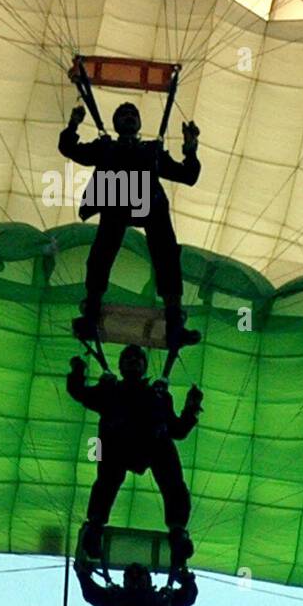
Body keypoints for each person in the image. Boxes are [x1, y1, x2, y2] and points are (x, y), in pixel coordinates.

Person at [59, 100, 200, 346]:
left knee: (167, 255)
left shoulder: (151, 151)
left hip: (150, 205)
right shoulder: (105, 147)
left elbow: (188, 176)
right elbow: (69, 149)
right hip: (116, 204)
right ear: (115, 123)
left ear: (139, 123)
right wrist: (73, 123)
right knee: (101, 253)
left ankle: (174, 322)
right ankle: (91, 313)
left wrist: (190, 149)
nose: (129, 116)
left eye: (133, 113)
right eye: (123, 114)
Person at [68, 344, 201, 567]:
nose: (133, 361)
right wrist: (78, 371)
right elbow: (79, 393)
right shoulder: (109, 390)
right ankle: (95, 526)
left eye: (138, 358)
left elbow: (178, 431)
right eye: (128, 359)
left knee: (174, 483)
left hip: (153, 445)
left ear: (144, 365)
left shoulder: (159, 396)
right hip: (116, 446)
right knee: (105, 482)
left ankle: (177, 530)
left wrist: (191, 408)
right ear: (120, 366)